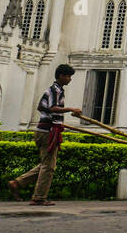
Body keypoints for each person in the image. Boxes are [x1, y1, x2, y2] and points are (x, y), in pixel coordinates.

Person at [8, 64, 79, 206]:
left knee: (46, 164)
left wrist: (55, 119)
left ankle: (17, 183)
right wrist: (70, 109)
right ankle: (39, 197)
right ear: (60, 76)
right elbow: (52, 108)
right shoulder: (55, 90)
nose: (70, 79)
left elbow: (41, 107)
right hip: (47, 132)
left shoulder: (53, 90)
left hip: (44, 130)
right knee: (48, 167)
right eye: (68, 76)